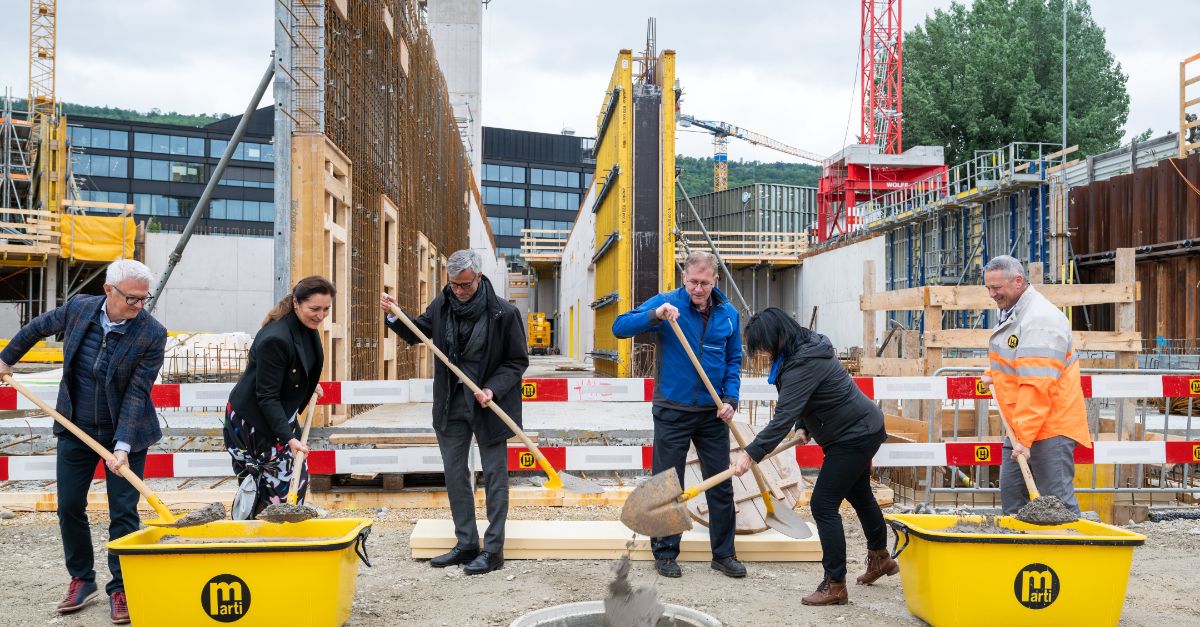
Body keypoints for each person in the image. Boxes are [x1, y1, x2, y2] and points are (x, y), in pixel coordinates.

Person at [0, 259, 166, 624]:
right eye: (132, 299)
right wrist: (6, 359)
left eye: (144, 299)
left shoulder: (152, 333)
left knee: (123, 514)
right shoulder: (79, 309)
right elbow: (37, 328)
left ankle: (120, 586)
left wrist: (122, 446)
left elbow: (138, 392)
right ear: (108, 290)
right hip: (75, 426)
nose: (139, 306)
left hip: (127, 434)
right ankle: (81, 578)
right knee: (69, 506)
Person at [732, 307, 893, 606]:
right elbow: (807, 399)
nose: (764, 352)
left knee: (823, 504)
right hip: (859, 429)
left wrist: (750, 454)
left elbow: (783, 415)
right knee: (859, 495)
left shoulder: (802, 361)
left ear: (779, 335)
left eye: (765, 345)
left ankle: (835, 585)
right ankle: (880, 558)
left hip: (854, 435)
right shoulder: (801, 350)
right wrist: (803, 425)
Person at [380, 249, 527, 575]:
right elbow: (418, 332)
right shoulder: (442, 305)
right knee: (456, 475)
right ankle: (465, 544)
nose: (458, 291)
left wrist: (493, 388)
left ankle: (493, 551)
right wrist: (395, 315)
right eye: (453, 285)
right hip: (451, 405)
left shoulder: (503, 312)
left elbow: (517, 361)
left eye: (465, 285)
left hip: (489, 405)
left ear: (479, 277)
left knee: (494, 477)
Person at [612, 251, 745, 580]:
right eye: (692, 282)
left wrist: (731, 399)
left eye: (704, 283)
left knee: (720, 483)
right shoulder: (668, 304)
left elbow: (733, 361)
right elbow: (620, 327)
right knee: (667, 484)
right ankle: (666, 552)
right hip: (672, 409)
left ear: (715, 281)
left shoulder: (728, 314)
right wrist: (655, 315)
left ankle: (724, 554)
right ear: (683, 278)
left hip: (713, 413)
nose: (698, 289)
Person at [980, 256, 1091, 516]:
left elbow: (1036, 386)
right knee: (1014, 502)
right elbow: (1014, 356)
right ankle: (1023, 557)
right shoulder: (1015, 312)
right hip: (1022, 428)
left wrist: (1024, 439)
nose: (992, 294)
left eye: (996, 287)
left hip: (1049, 429)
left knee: (1056, 507)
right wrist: (993, 374)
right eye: (988, 288)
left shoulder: (1041, 320)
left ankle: (1072, 554)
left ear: (1018, 281)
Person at [224, 276, 332, 519]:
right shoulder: (276, 337)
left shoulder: (305, 327)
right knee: (275, 484)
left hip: (277, 414)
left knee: (293, 477)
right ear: (296, 303)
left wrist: (305, 386)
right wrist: (288, 439)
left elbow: (296, 366)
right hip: (254, 421)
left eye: (326, 309)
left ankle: (280, 535)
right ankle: (260, 537)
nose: (320, 315)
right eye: (314, 308)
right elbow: (267, 394)